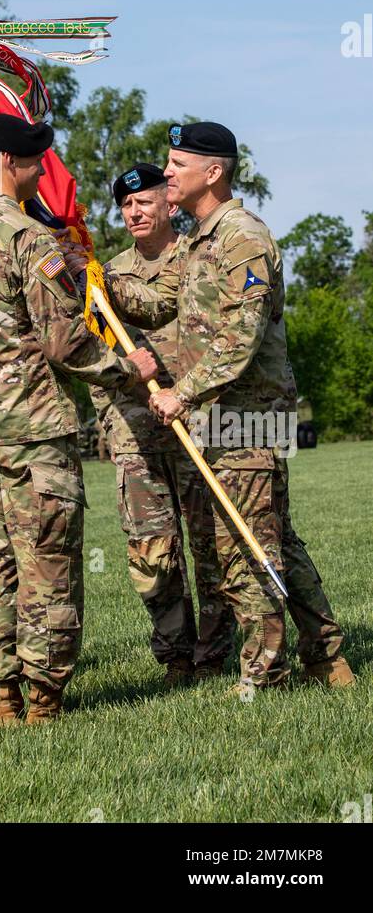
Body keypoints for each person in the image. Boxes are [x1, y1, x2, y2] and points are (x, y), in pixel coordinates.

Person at [0, 115, 158, 725]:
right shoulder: (29, 241)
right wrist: (127, 367)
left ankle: (0, 694)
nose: (41, 177)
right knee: (47, 561)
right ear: (20, 166)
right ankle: (44, 698)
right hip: (31, 431)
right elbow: (65, 345)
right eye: (38, 166)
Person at [104, 122, 354, 691]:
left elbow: (240, 336)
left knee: (246, 545)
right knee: (275, 541)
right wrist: (95, 278)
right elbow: (161, 304)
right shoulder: (199, 239)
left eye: (176, 164)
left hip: (247, 416)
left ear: (212, 172)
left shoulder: (242, 235)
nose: (166, 173)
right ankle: (327, 657)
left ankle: (264, 676)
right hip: (219, 419)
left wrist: (182, 392)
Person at [90, 163, 234, 686]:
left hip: (198, 421)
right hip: (137, 431)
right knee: (151, 546)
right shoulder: (105, 278)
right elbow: (97, 357)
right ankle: (174, 655)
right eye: (126, 206)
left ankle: (214, 652)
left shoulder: (199, 259)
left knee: (210, 542)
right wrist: (113, 417)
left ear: (169, 204)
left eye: (144, 202)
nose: (133, 212)